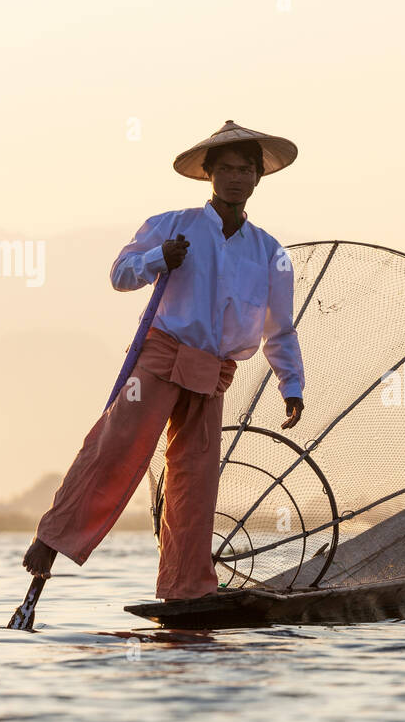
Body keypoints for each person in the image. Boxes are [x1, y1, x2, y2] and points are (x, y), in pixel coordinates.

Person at [22, 120, 306, 600]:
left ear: (258, 178)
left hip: (214, 372)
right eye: (227, 169)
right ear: (210, 175)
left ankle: (186, 587)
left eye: (246, 170)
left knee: (195, 482)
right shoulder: (174, 225)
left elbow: (279, 327)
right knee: (117, 449)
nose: (237, 178)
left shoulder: (269, 252)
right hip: (159, 356)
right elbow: (121, 274)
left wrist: (291, 385)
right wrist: (159, 257)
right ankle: (51, 540)